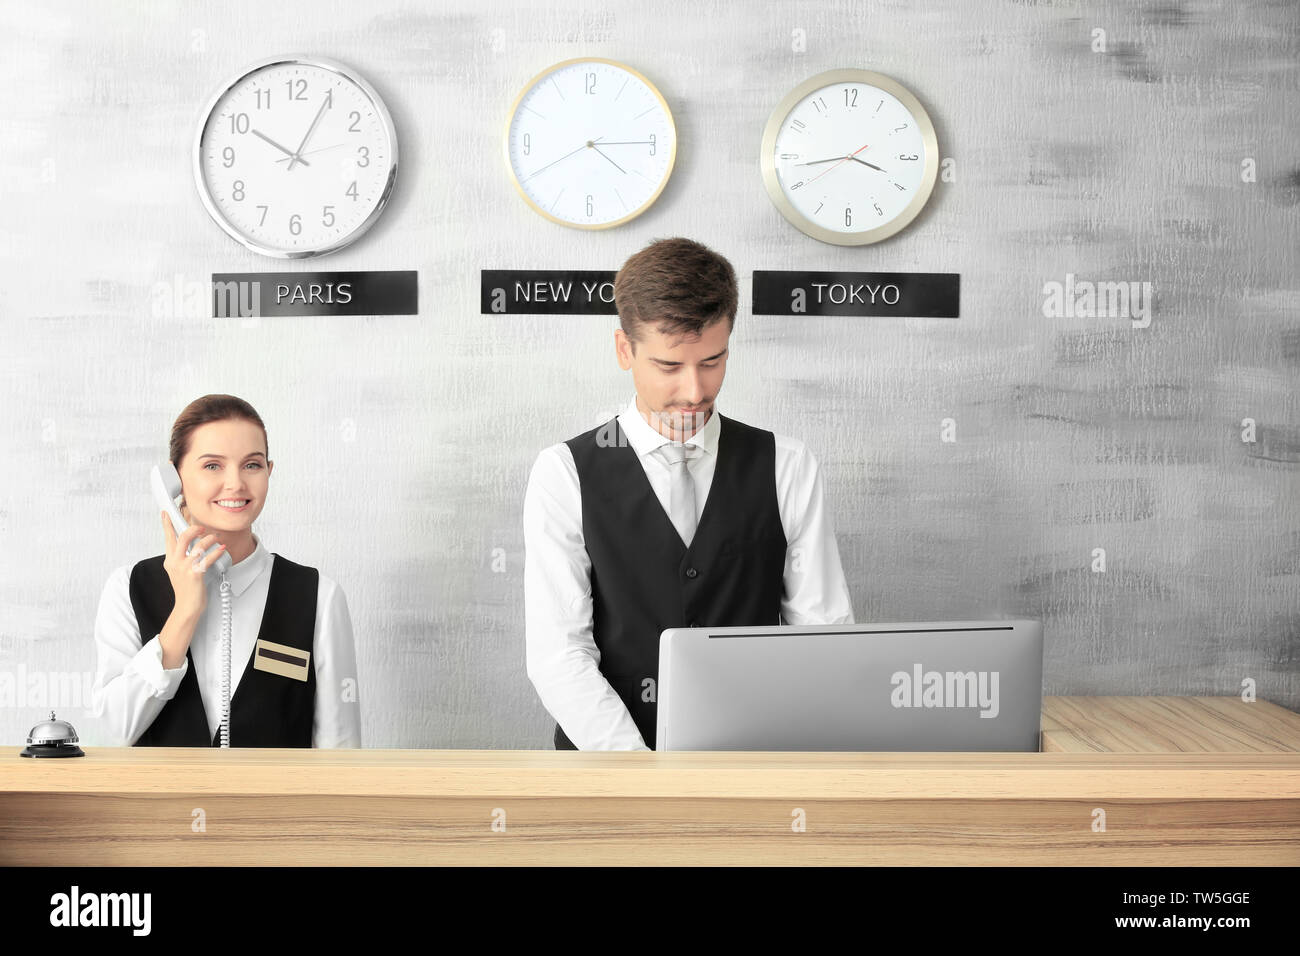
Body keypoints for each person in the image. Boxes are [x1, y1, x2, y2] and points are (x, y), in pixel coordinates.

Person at [524, 237, 855, 751]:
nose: (696, 391)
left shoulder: (788, 467)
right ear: (623, 350)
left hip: (757, 766)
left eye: (712, 361)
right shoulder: (563, 473)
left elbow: (824, 640)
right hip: (607, 773)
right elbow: (559, 654)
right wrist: (638, 773)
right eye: (669, 367)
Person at [92, 394, 361, 748]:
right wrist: (183, 614)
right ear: (174, 480)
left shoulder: (319, 597)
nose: (235, 483)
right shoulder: (127, 588)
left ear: (269, 472)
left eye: (252, 465)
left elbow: (340, 756)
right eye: (212, 466)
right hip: (157, 805)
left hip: (276, 806)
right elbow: (115, 731)